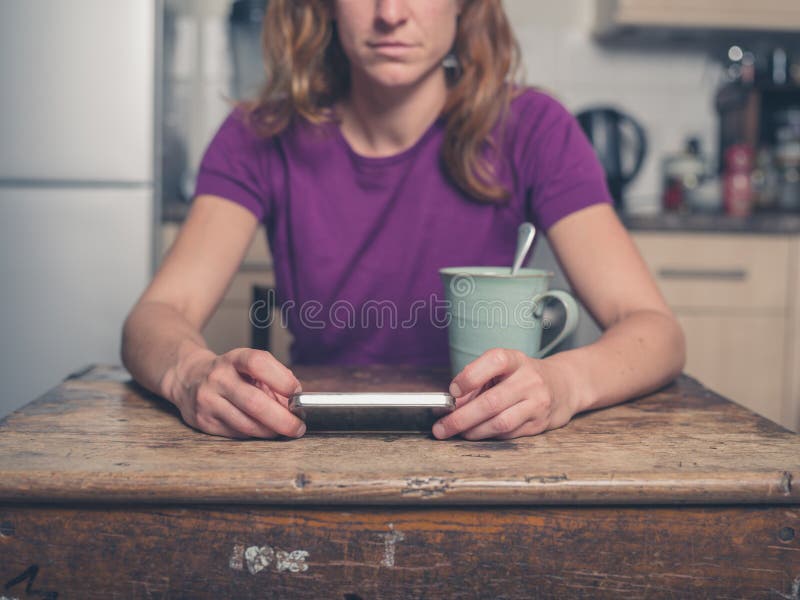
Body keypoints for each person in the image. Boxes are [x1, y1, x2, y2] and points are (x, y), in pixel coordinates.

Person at [121, 0, 685, 442]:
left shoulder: (535, 129)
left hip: (494, 448)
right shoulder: (257, 135)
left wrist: (564, 383)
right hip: (313, 445)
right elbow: (158, 315)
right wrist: (189, 373)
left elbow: (653, 329)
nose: (391, 13)